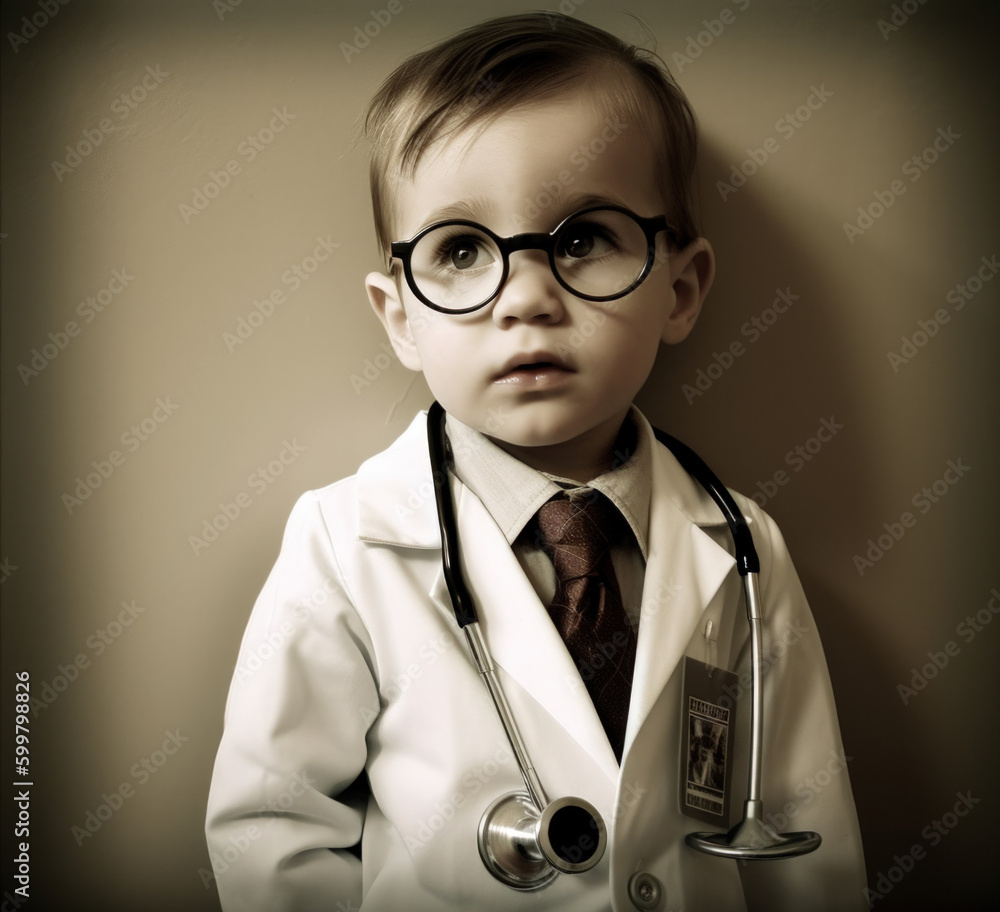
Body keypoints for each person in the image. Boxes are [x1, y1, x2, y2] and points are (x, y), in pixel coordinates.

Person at [206, 12, 867, 911]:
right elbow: (270, 830)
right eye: (462, 250)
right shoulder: (344, 544)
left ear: (680, 288)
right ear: (401, 315)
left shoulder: (747, 551)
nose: (526, 298)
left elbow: (804, 830)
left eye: (583, 238)